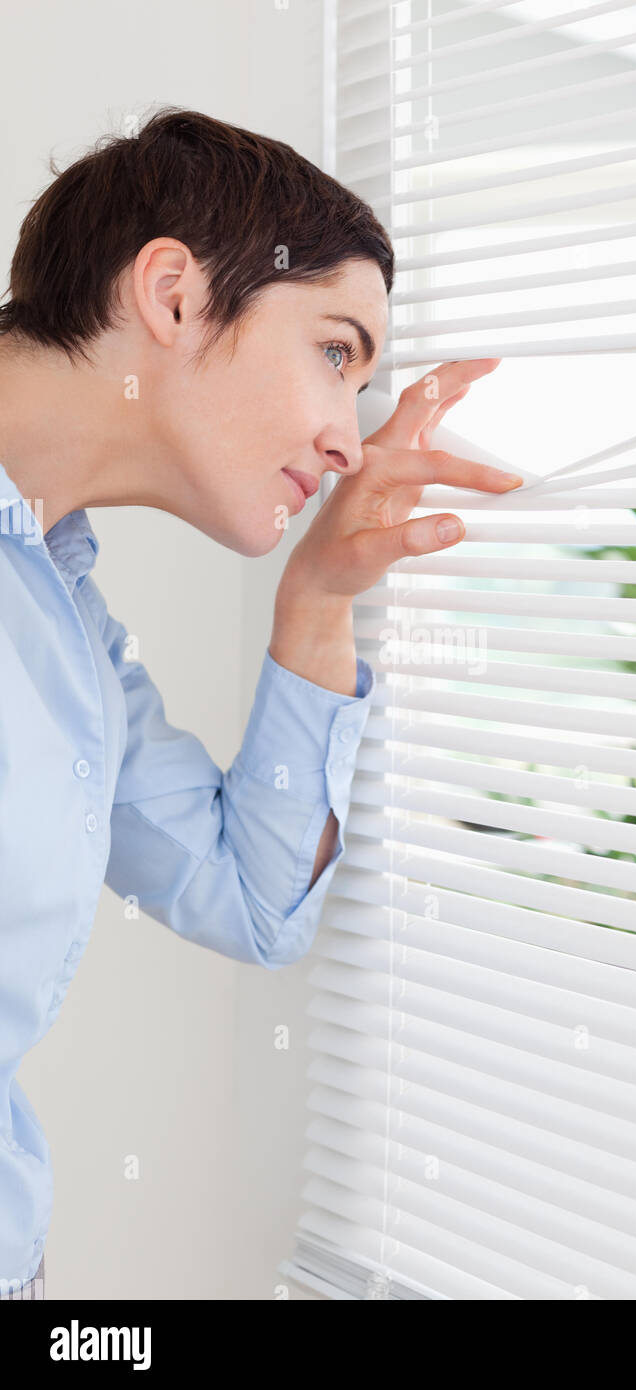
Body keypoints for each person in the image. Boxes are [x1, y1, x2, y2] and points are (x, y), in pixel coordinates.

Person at [0, 106, 519, 1295]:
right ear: (175, 296)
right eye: (335, 353)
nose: (349, 441)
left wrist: (320, 602)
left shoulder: (63, 618)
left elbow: (251, 900)